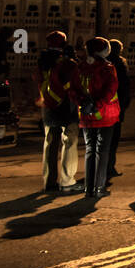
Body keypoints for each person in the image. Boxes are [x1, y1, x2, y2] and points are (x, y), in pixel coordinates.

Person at [72, 37, 120, 199]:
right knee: (102, 151)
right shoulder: (107, 68)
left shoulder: (80, 67)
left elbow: (73, 89)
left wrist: (84, 104)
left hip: (86, 115)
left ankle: (88, 188)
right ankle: (99, 187)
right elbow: (110, 90)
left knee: (89, 150)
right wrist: (97, 105)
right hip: (105, 115)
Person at [37, 30, 82, 194]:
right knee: (69, 142)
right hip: (66, 105)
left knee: (50, 143)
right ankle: (67, 180)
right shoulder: (67, 62)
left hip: (48, 105)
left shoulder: (41, 61)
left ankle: (48, 181)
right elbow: (76, 81)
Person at [106, 39, 131, 174]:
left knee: (103, 139)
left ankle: (102, 166)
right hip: (117, 105)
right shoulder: (121, 63)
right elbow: (125, 85)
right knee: (114, 138)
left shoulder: (102, 62)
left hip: (104, 105)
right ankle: (110, 166)